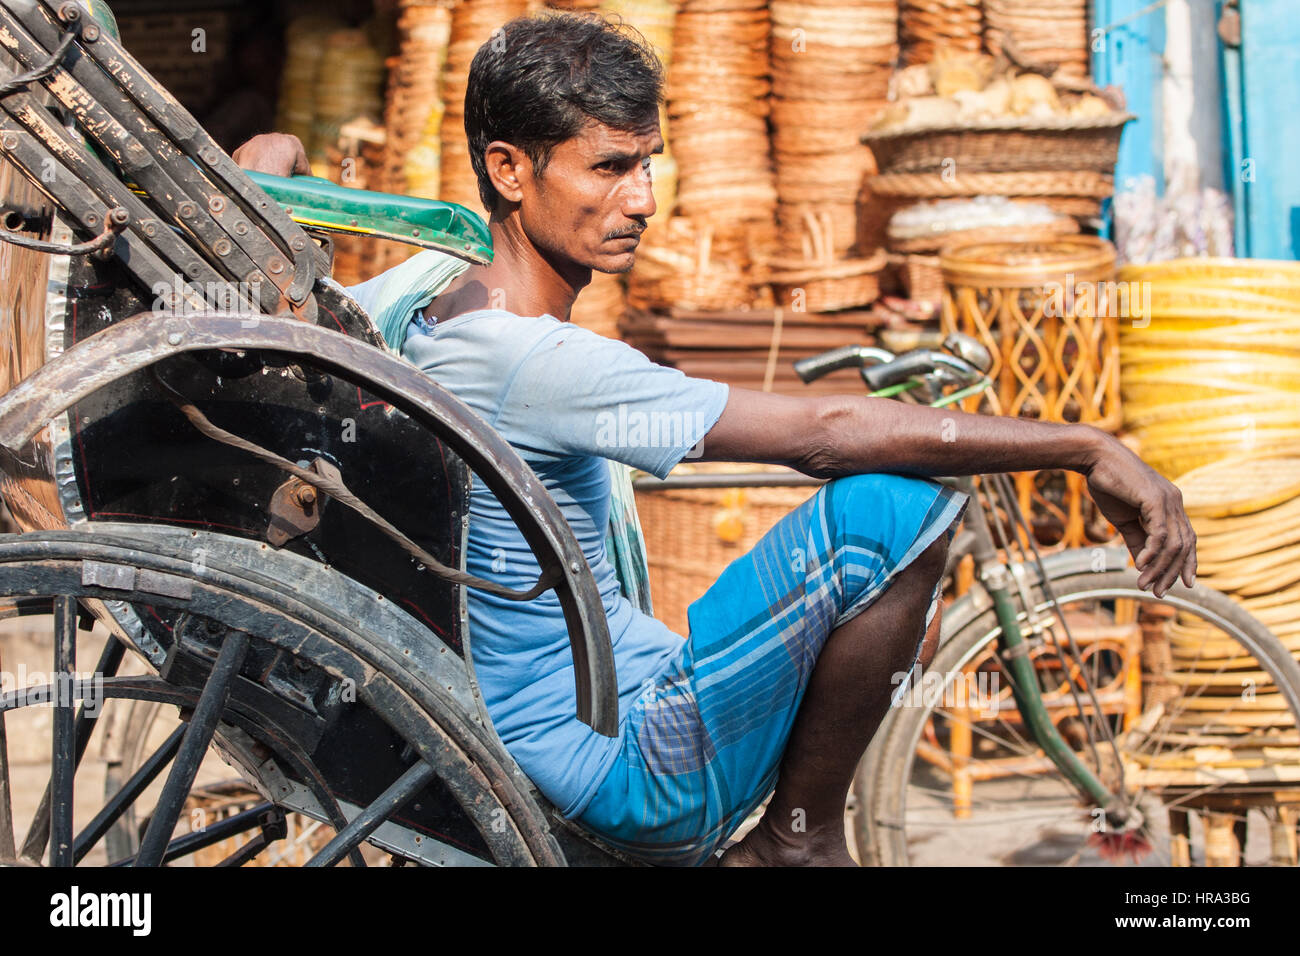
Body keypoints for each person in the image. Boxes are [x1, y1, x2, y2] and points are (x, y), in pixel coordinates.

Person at [234, 11, 1196, 867]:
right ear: (508, 171)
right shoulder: (528, 360)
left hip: (592, 702)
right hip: (621, 766)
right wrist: (1084, 445)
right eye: (610, 168)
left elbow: (272, 173)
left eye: (647, 163)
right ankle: (798, 839)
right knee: (899, 507)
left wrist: (268, 163)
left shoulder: (428, 305)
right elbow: (826, 432)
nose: (644, 200)